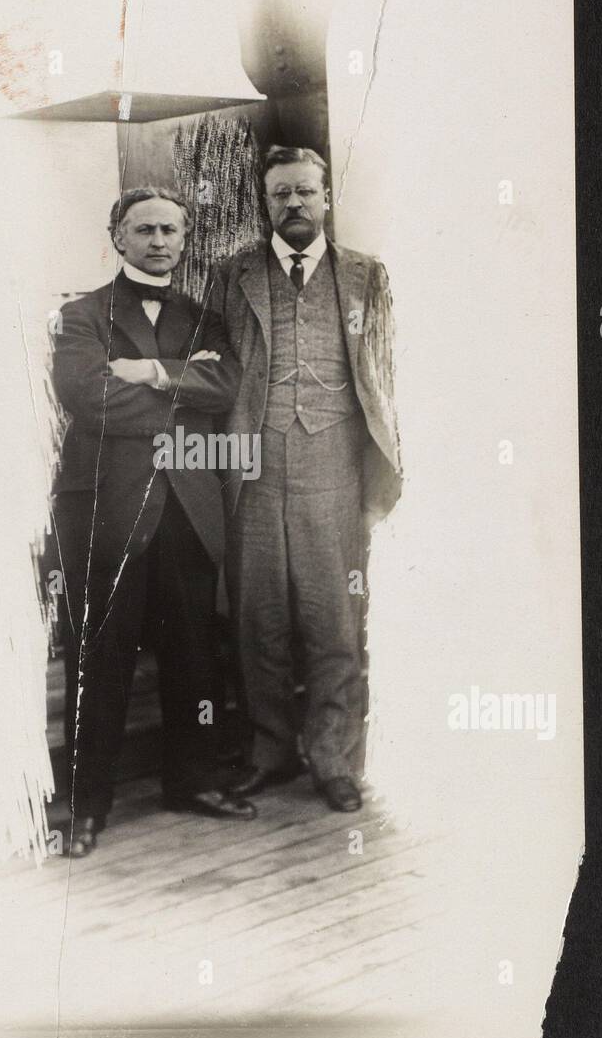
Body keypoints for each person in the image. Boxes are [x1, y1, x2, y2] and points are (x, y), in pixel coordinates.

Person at [51, 185, 256, 857]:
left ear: (187, 236)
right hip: (111, 506)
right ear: (117, 234)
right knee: (100, 656)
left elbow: (226, 390)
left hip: (188, 505)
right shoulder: (83, 314)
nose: (159, 241)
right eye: (144, 230)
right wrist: (179, 390)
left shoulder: (203, 316)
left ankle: (192, 780)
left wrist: (148, 372)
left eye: (171, 229)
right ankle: (86, 804)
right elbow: (88, 399)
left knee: (195, 653)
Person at [210, 146, 401, 813]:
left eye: (304, 193)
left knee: (334, 622)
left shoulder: (364, 275)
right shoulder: (233, 275)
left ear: (326, 198)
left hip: (334, 468)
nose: (293, 205)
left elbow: (386, 372)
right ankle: (269, 752)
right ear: (266, 203)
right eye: (280, 195)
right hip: (255, 469)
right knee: (258, 620)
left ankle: (332, 757)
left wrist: (384, 474)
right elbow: (216, 372)